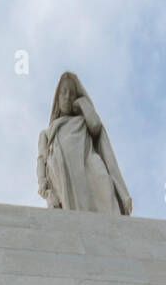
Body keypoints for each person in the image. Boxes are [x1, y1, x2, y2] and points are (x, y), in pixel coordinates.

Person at [37, 71, 132, 215]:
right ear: (57, 97)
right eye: (64, 92)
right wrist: (42, 181)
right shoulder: (46, 133)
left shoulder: (83, 121)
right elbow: (41, 159)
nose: (67, 97)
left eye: (72, 93)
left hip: (91, 167)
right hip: (66, 175)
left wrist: (83, 104)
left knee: (107, 197)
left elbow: (96, 126)